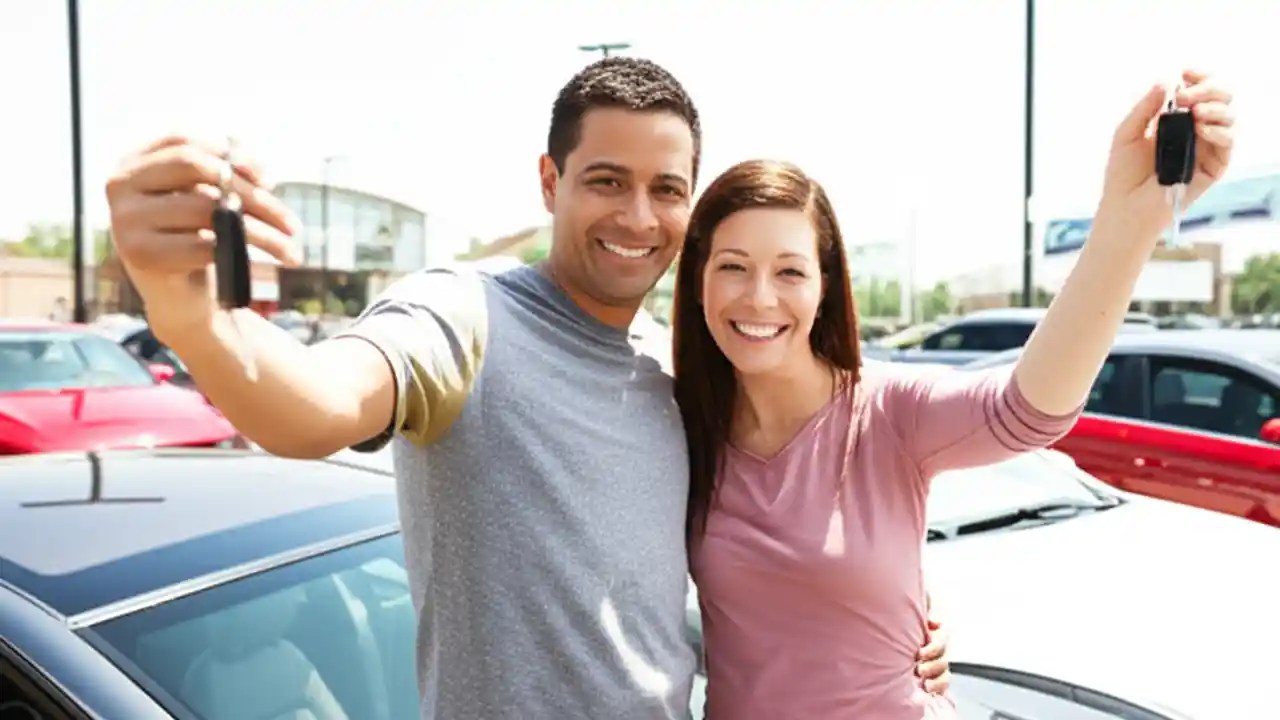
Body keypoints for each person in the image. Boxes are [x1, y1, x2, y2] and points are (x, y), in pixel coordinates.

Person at [104, 58, 950, 718]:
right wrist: (195, 321)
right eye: (607, 181)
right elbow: (316, 409)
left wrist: (887, 621)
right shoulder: (464, 314)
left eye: (666, 190)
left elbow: (758, 548)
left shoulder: (676, 376)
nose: (637, 218)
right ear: (551, 181)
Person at [670, 70, 1235, 719]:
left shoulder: (888, 411)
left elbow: (1028, 412)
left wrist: (1128, 221)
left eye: (789, 271)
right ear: (698, 282)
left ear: (824, 287)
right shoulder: (680, 426)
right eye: (733, 267)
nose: (760, 297)